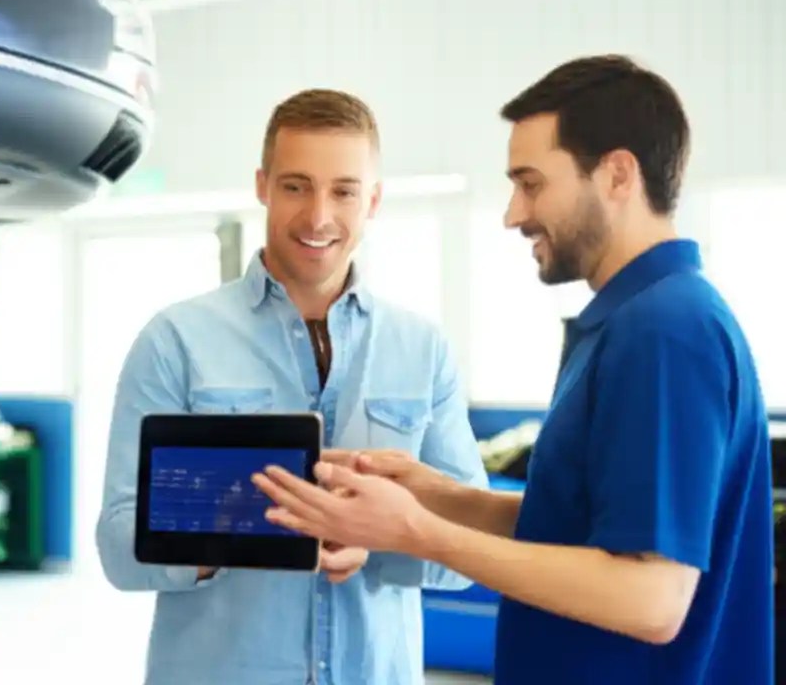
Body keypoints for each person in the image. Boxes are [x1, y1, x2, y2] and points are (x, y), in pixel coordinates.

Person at [253, 55, 775, 685]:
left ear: (616, 174)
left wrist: (416, 530)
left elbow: (651, 600)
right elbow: (583, 524)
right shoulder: (632, 322)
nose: (512, 212)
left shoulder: (665, 331)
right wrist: (438, 496)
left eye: (531, 183)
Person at [95, 88, 489, 685]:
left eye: (344, 190)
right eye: (296, 186)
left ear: (374, 200)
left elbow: (468, 544)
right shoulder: (176, 339)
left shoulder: (423, 349)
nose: (319, 216)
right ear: (262, 185)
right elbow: (119, 545)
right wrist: (245, 528)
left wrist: (376, 543)